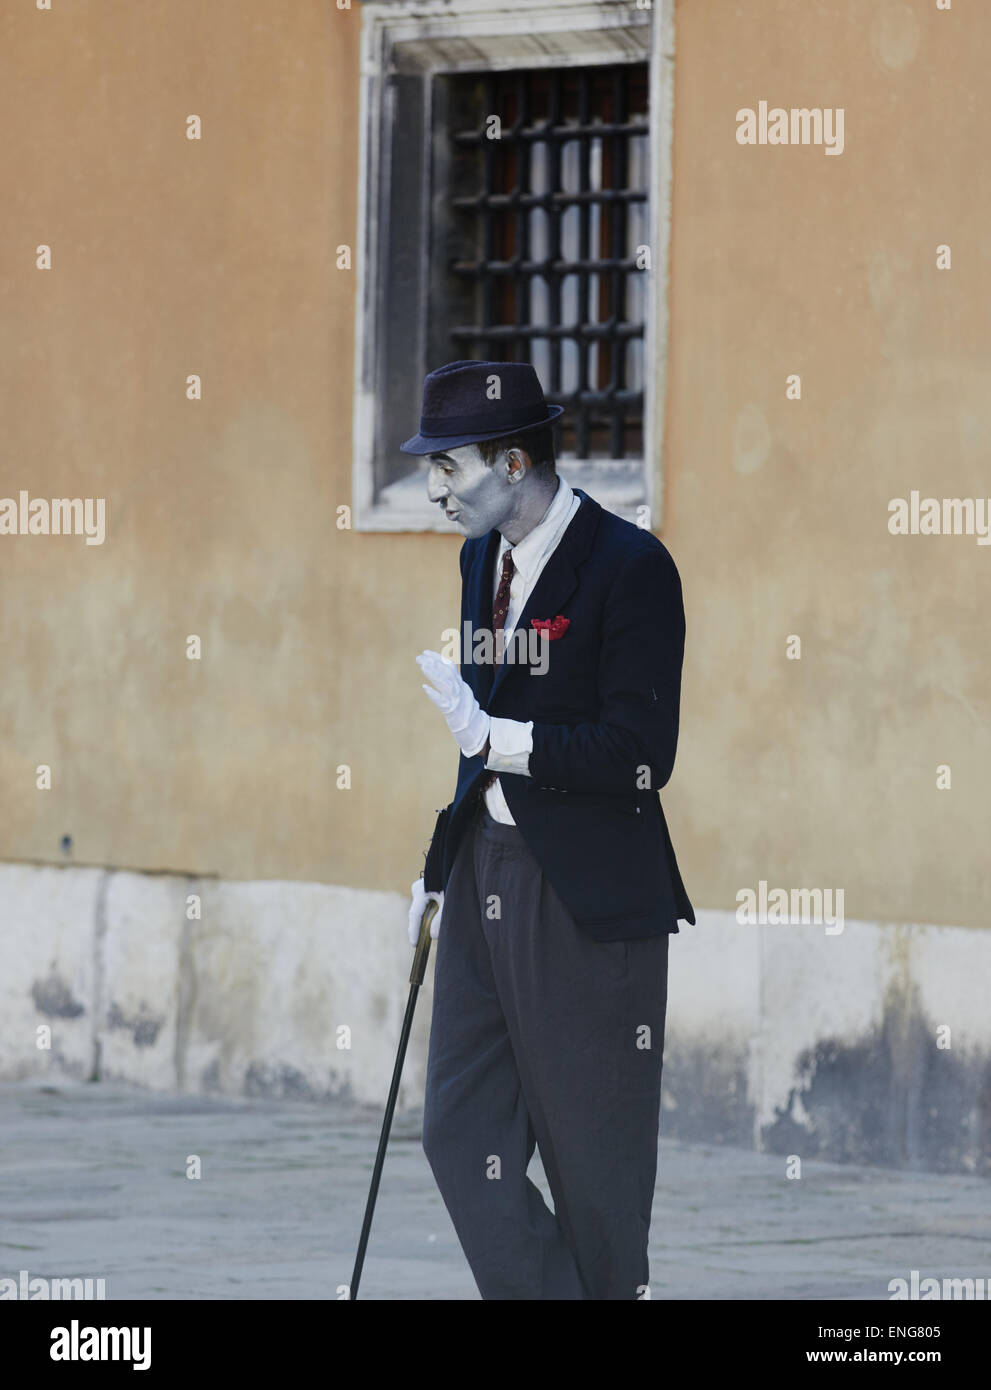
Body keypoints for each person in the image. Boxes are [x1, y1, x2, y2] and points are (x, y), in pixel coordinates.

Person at [403, 359, 695, 1300]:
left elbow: (640, 751)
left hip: (582, 893)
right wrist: (442, 861)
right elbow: (473, 722)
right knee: (458, 1131)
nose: (436, 490)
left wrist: (504, 740)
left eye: (450, 468)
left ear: (516, 461)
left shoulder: (630, 566)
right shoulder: (478, 557)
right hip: (484, 868)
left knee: (592, 1160)